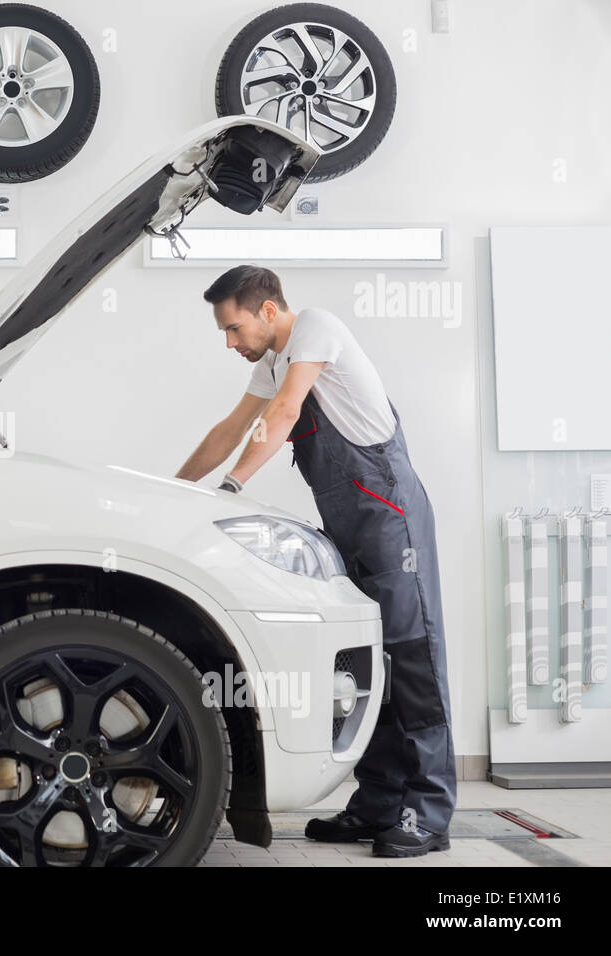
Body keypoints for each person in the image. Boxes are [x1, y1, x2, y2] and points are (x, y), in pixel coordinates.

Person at [176, 265, 456, 858]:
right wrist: (173, 491)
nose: (230, 342)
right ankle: (379, 803)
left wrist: (229, 488)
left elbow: (280, 416)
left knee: (413, 658)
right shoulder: (273, 361)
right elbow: (231, 428)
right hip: (350, 523)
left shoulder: (315, 331)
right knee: (371, 665)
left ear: (269, 310)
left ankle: (428, 812)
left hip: (389, 516)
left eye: (233, 327)